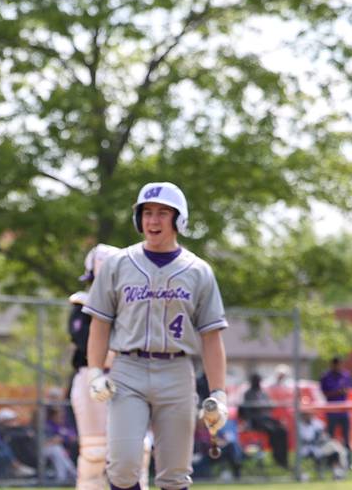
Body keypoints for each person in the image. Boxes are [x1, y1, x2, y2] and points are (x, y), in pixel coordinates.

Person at [83, 182, 230, 490]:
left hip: (177, 371)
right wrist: (96, 370)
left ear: (179, 219)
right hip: (128, 369)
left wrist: (218, 392)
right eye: (147, 212)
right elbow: (99, 323)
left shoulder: (198, 270)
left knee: (175, 473)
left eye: (163, 213)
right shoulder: (118, 264)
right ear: (138, 219)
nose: (153, 220)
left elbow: (212, 336)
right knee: (122, 466)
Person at [68, 243, 118, 490]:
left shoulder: (130, 306)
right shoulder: (82, 304)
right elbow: (84, 343)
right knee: (95, 450)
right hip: (93, 376)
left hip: (127, 375)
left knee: (135, 448)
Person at [238, 372, 289, 469]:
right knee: (274, 431)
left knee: (282, 431)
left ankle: (283, 460)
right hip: (256, 421)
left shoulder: (263, 392)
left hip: (266, 419)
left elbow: (269, 406)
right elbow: (247, 411)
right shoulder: (248, 393)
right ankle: (277, 458)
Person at [319, 357, 352, 467]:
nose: (338, 367)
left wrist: (342, 391)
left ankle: (348, 463)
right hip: (332, 412)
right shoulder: (326, 376)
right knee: (330, 439)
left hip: (344, 412)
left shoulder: (346, 375)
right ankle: (330, 463)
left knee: (346, 439)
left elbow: (348, 389)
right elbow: (325, 393)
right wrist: (337, 392)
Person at [296, 412, 348, 479]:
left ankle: (340, 471)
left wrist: (323, 437)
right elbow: (306, 439)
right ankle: (302, 474)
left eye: (308, 414)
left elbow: (324, 436)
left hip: (320, 446)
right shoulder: (299, 425)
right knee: (330, 448)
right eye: (305, 415)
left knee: (338, 448)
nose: (307, 416)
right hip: (307, 448)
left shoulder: (318, 423)